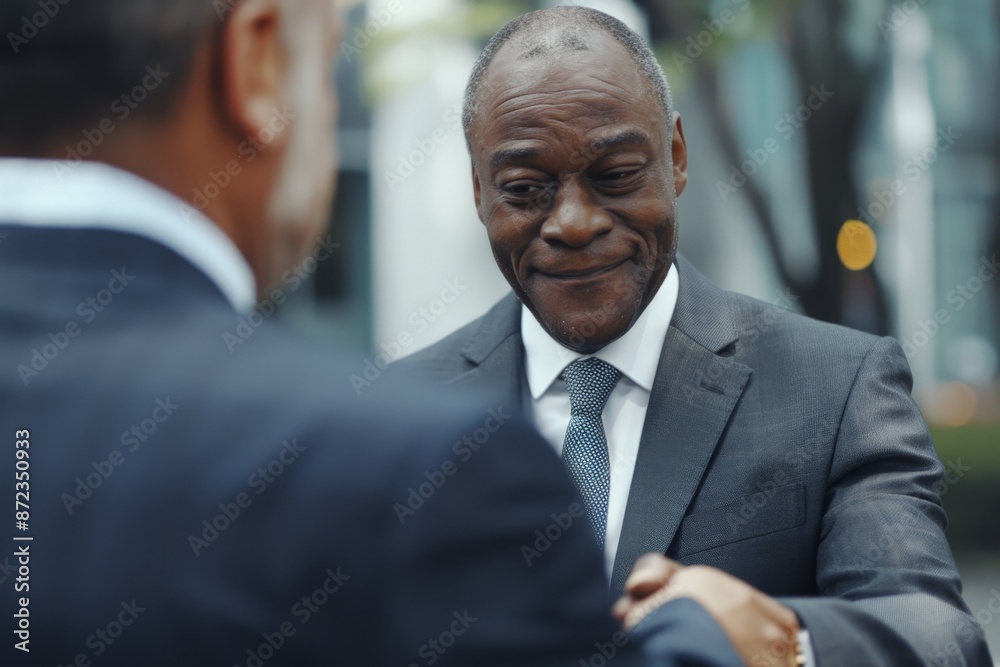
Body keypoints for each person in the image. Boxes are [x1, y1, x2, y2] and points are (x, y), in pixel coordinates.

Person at [0, 0, 757, 665]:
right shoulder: (423, 469)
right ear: (257, 59)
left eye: (616, 173)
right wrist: (709, 638)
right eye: (329, 67)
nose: (573, 221)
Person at [402, 6, 993, 666]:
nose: (571, 221)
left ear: (676, 157)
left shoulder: (838, 387)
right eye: (526, 187)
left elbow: (939, 635)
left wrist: (778, 639)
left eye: (616, 174)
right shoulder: (397, 419)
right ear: (479, 192)